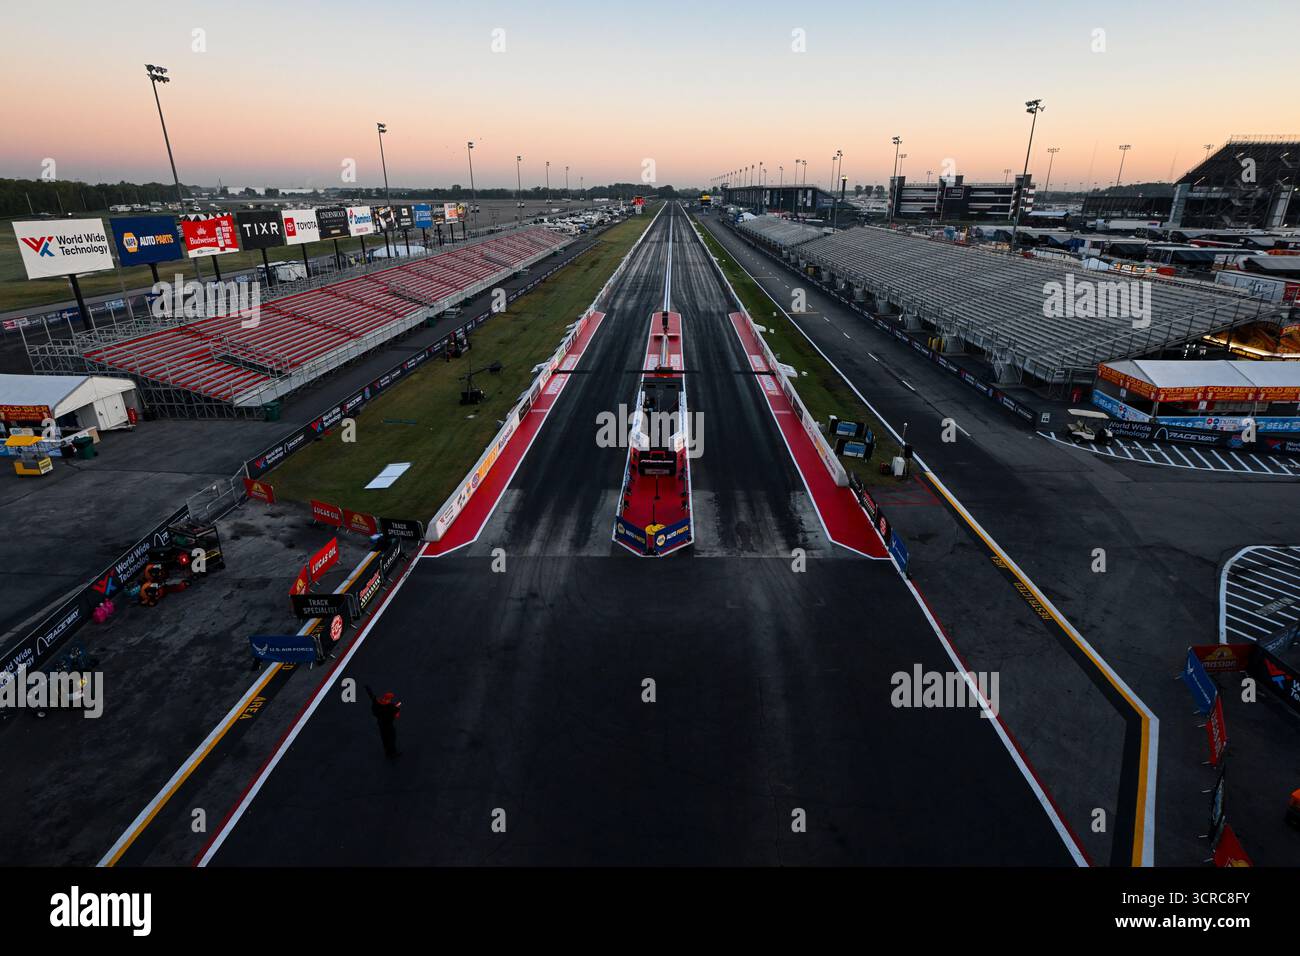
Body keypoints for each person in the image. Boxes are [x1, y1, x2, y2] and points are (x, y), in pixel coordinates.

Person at [365, 685, 401, 758]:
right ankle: (392, 753)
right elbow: (395, 716)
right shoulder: (391, 706)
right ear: (389, 699)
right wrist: (396, 708)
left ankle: (387, 753)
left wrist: (368, 690)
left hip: (381, 724)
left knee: (384, 739)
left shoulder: (378, 703)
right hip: (388, 725)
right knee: (391, 739)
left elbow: (372, 697)